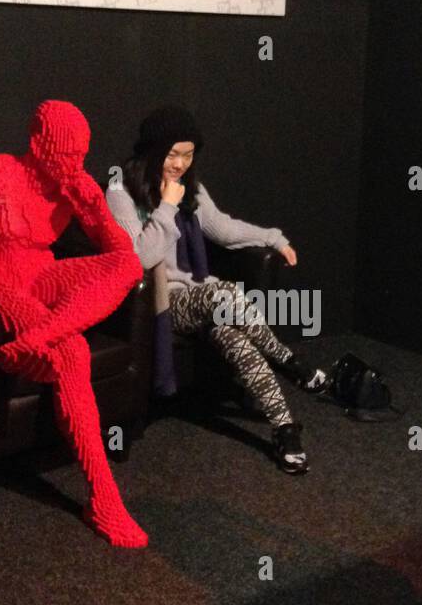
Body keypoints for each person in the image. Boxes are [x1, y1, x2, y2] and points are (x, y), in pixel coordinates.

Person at [0, 100, 148, 548]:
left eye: (80, 156)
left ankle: (40, 339)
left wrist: (95, 209)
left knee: (128, 268)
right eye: (64, 155)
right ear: (38, 144)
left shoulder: (73, 183)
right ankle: (104, 497)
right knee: (75, 352)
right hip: (1, 285)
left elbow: (120, 252)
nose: (72, 165)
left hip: (42, 278)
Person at [107, 105, 329, 473]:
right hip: (158, 301)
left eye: (189, 155)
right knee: (222, 294)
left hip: (201, 299)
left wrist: (272, 238)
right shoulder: (121, 190)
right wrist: (165, 207)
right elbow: (139, 259)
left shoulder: (190, 187)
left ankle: (285, 428)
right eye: (172, 154)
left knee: (234, 338)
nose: (180, 164)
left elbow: (223, 229)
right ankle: (290, 360)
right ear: (152, 150)